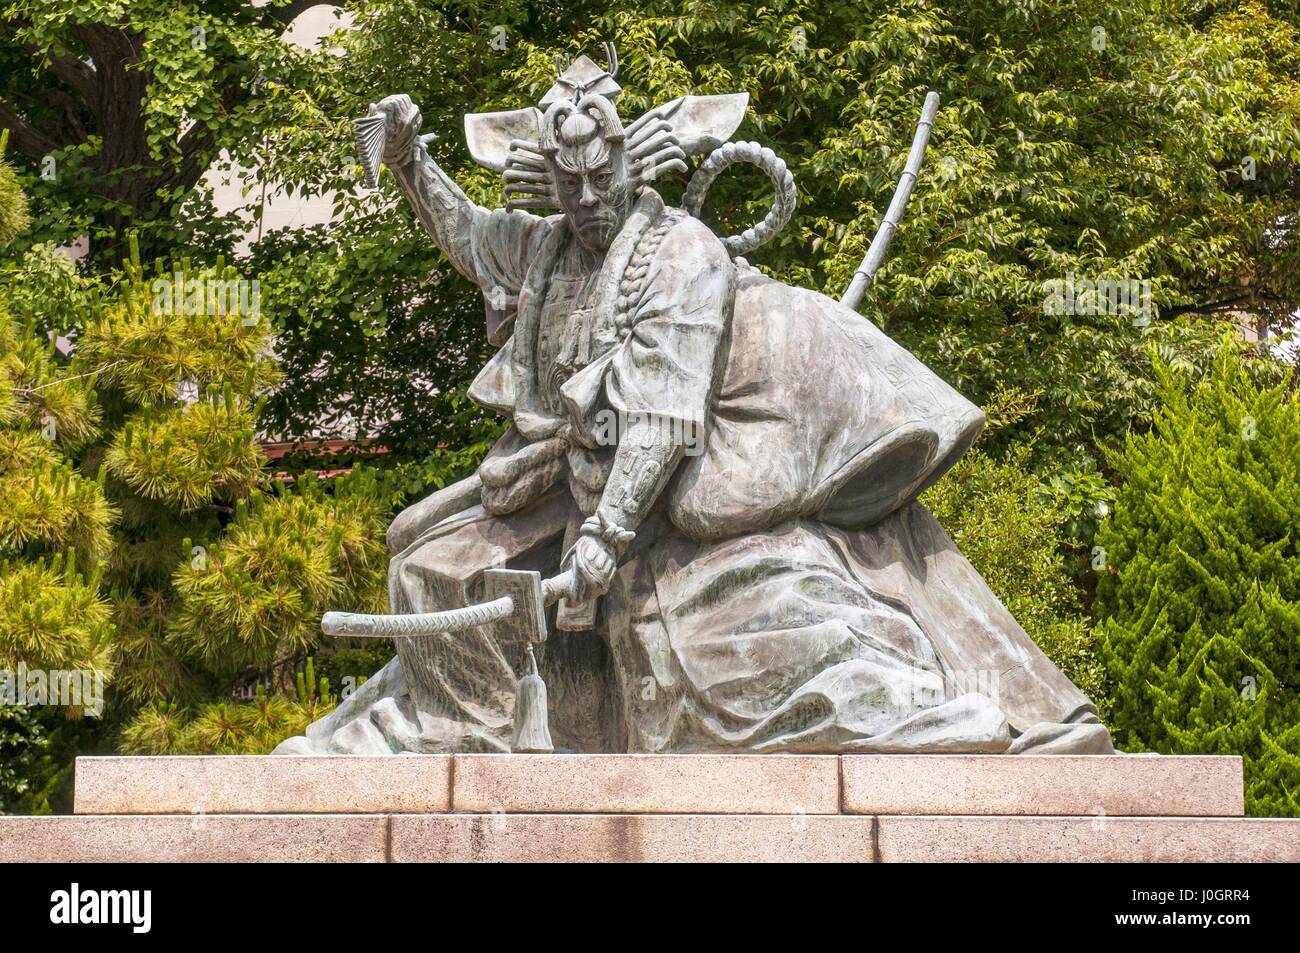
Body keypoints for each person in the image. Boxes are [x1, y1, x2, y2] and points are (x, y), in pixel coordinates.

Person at [277, 57, 1112, 756]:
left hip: (655, 498)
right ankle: (467, 728)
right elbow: (470, 237)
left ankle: (494, 729)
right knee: (418, 552)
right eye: (569, 184)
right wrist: (410, 158)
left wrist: (604, 542)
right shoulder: (546, 247)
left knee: (689, 631)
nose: (586, 197)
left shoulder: (681, 254)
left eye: (601, 177)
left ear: (632, 163)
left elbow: (667, 416)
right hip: (554, 484)